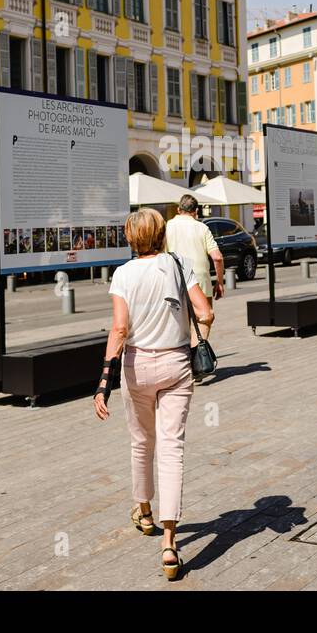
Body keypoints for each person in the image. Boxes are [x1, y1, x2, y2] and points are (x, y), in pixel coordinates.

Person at [94, 208, 214, 581]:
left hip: (136, 367)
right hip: (177, 364)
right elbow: (205, 312)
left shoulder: (124, 273)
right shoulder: (177, 266)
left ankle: (143, 512)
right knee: (172, 449)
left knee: (141, 443)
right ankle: (169, 543)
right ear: (161, 235)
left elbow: (119, 328)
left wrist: (103, 383)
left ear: (131, 238)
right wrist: (192, 327)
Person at [164, 193, 225, 325]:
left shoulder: (167, 226)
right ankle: (198, 345)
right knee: (204, 322)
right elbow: (217, 257)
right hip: (201, 282)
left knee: (181, 327)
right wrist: (219, 283)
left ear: (178, 210)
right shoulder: (203, 228)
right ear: (196, 211)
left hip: (176, 281)